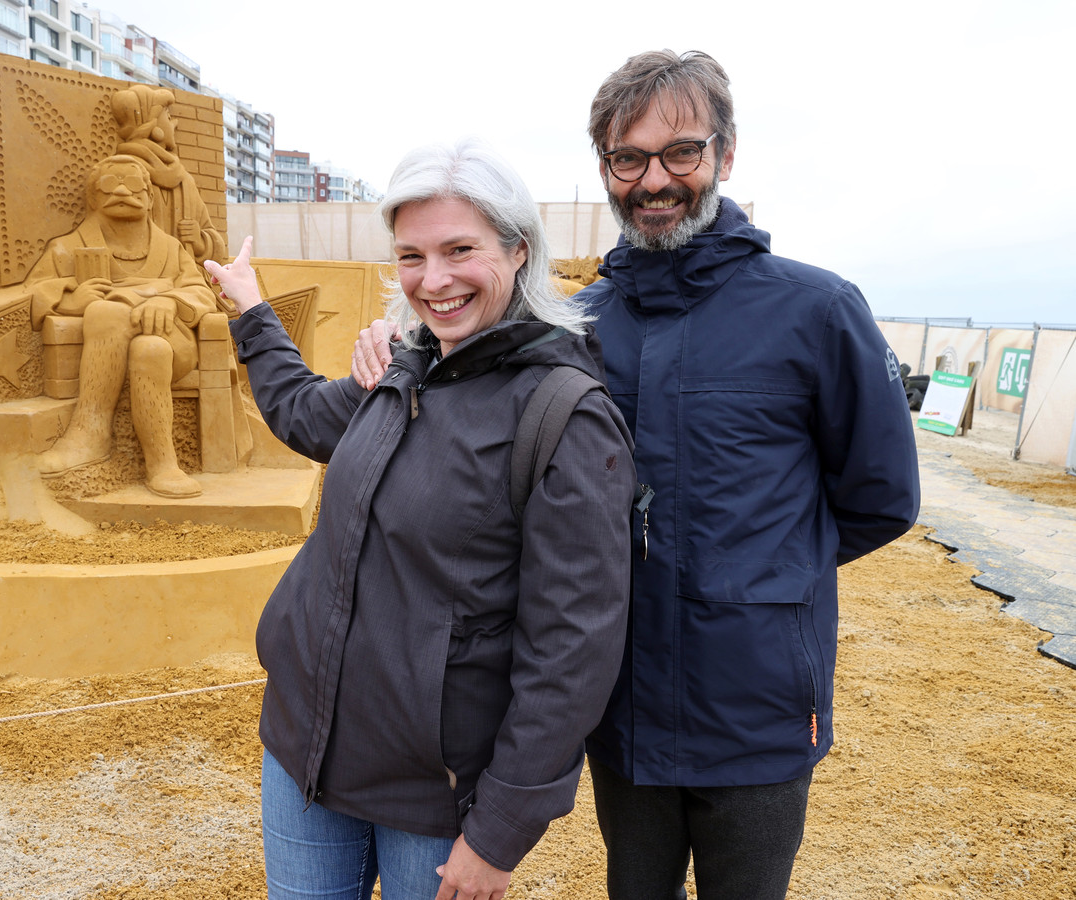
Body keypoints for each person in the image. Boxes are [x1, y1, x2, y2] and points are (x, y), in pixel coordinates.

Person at [352, 51, 921, 900]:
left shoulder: (817, 311)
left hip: (757, 707)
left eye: (680, 153)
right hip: (622, 707)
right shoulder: (576, 324)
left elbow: (881, 499)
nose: (655, 180)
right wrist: (392, 350)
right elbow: (459, 360)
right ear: (606, 171)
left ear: (725, 156)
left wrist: (764, 574)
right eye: (628, 159)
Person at [205, 139, 635, 900]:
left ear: (518, 250)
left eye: (459, 249)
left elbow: (572, 650)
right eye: (411, 255)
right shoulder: (404, 368)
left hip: (435, 796)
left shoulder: (564, 414)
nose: (433, 281)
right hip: (305, 747)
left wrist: (500, 833)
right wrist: (252, 310)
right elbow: (303, 414)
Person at [28, 154, 217, 498]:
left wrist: (169, 300)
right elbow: (33, 291)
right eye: (109, 185)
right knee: (148, 349)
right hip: (148, 346)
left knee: (108, 313)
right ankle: (159, 462)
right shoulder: (68, 248)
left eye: (132, 185)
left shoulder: (172, 249)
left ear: (149, 197)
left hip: (174, 338)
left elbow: (202, 292)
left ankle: (90, 432)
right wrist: (71, 295)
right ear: (93, 197)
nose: (121, 192)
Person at [112, 84, 228, 270]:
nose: (174, 123)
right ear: (154, 126)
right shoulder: (125, 172)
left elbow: (215, 242)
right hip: (144, 281)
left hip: (186, 281)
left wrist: (199, 240)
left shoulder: (183, 180)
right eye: (168, 116)